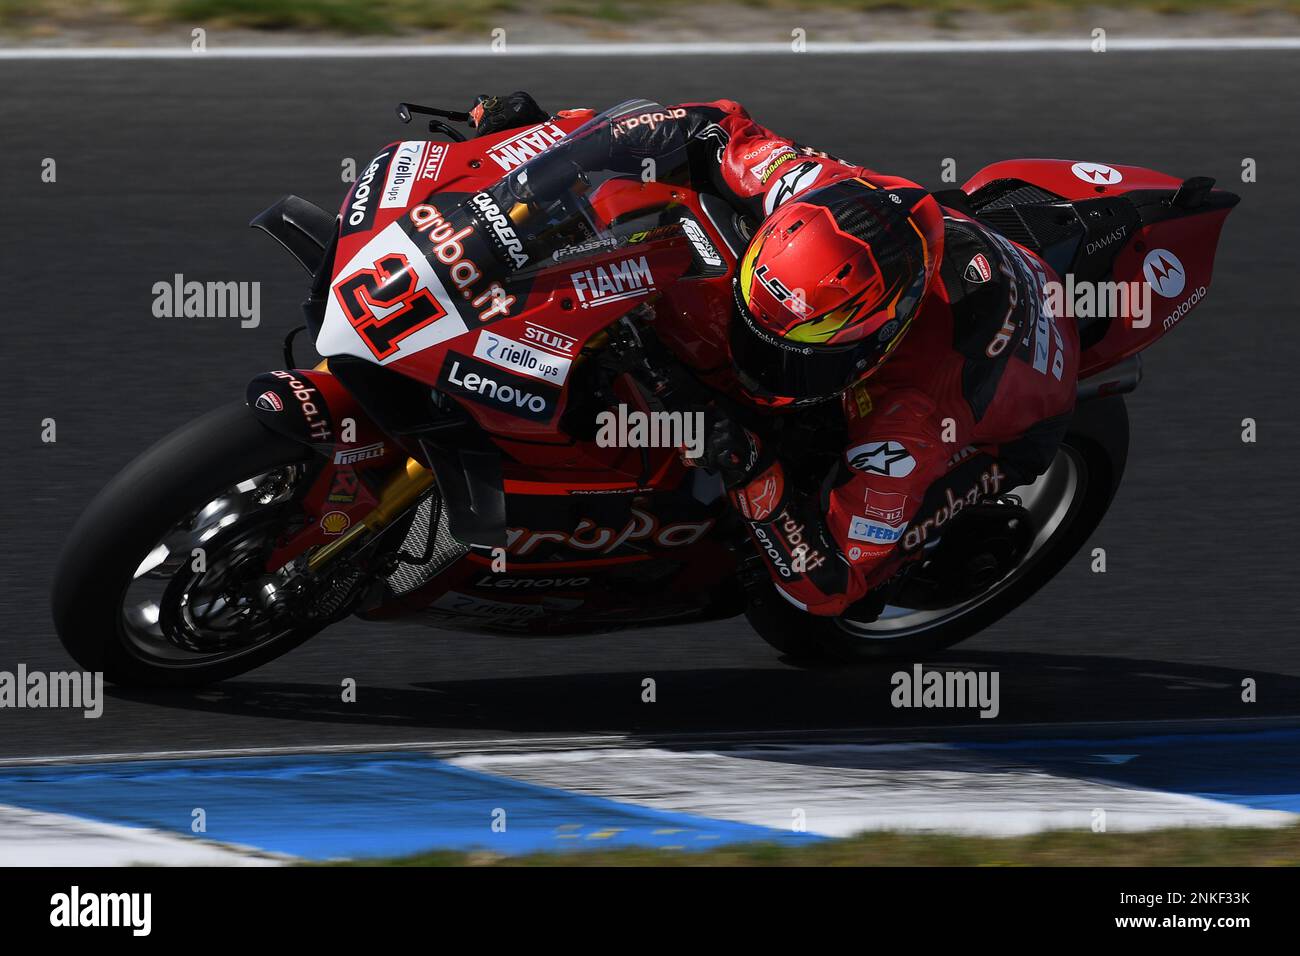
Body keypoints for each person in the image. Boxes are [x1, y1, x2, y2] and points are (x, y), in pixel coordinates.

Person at [470, 93, 1078, 617]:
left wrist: (745, 459)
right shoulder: (806, 188)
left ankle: (925, 555)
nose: (755, 357)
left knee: (847, 578)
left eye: (787, 351)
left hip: (1009, 425)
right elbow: (698, 125)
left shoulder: (910, 415)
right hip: (940, 250)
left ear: (877, 337)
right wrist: (550, 146)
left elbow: (830, 581)